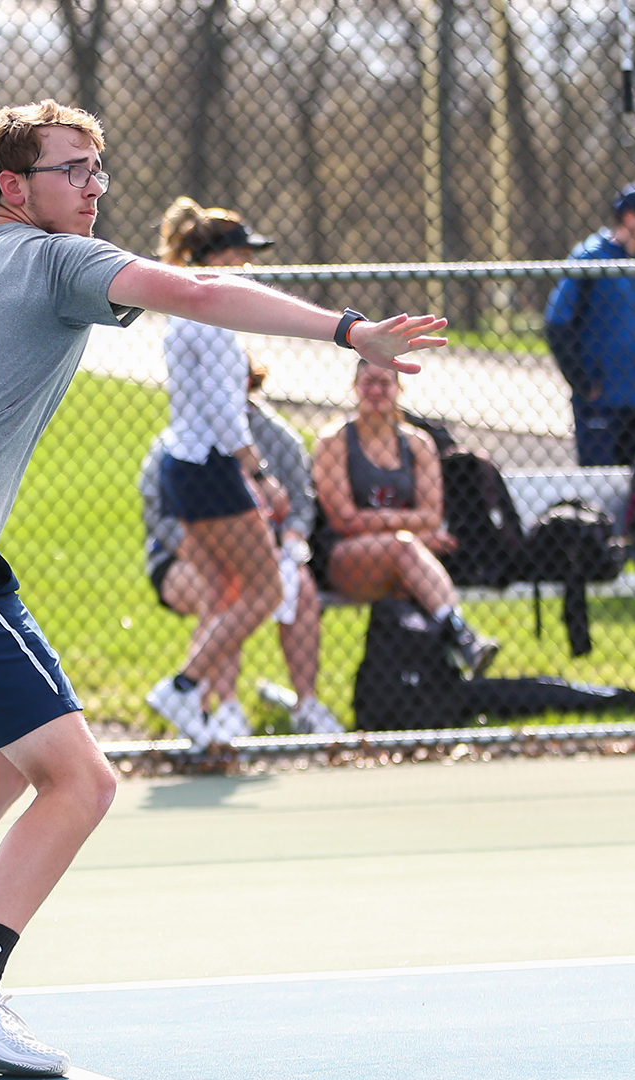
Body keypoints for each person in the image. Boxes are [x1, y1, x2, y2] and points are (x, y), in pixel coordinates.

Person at [0, 100, 447, 1076]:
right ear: (12, 187)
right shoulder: (57, 261)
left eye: (98, 167)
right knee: (83, 783)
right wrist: (349, 329)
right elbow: (199, 291)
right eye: (71, 170)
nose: (94, 186)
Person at [141, 198, 288, 747]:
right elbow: (225, 414)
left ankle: (200, 713)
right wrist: (261, 474)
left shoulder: (191, 314)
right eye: (242, 255)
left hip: (185, 468)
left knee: (221, 592)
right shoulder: (211, 321)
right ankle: (183, 687)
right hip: (206, 470)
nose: (249, 265)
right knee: (265, 590)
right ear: (218, 257)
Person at [139, 362, 344, 738]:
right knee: (227, 587)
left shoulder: (278, 436)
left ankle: (306, 705)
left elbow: (300, 504)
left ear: (249, 382)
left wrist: (292, 539)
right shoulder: (185, 438)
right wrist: (199, 550)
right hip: (183, 557)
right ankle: (222, 707)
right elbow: (156, 510)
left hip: (267, 552)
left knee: (299, 586)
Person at [311, 360, 500, 680]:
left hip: (405, 561)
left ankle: (427, 679)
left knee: (404, 553)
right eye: (368, 382)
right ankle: (463, 637)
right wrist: (413, 533)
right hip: (345, 559)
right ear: (354, 387)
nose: (375, 390)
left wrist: (385, 525)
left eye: (384, 383)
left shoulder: (418, 443)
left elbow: (432, 515)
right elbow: (344, 521)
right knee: (404, 548)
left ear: (400, 388)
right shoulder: (334, 441)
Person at [544, 184, 635, 467]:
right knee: (600, 478)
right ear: (630, 218)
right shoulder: (590, 258)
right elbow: (557, 322)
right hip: (602, 399)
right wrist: (582, 381)